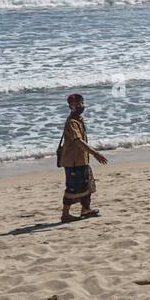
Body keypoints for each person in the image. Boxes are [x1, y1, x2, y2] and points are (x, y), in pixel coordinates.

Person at [58, 93, 107, 222]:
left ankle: (86, 210)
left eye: (81, 103)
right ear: (71, 106)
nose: (80, 106)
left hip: (81, 159)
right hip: (72, 161)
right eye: (77, 104)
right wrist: (95, 153)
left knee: (86, 185)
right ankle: (65, 214)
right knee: (72, 188)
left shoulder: (78, 120)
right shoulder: (72, 122)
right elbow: (78, 141)